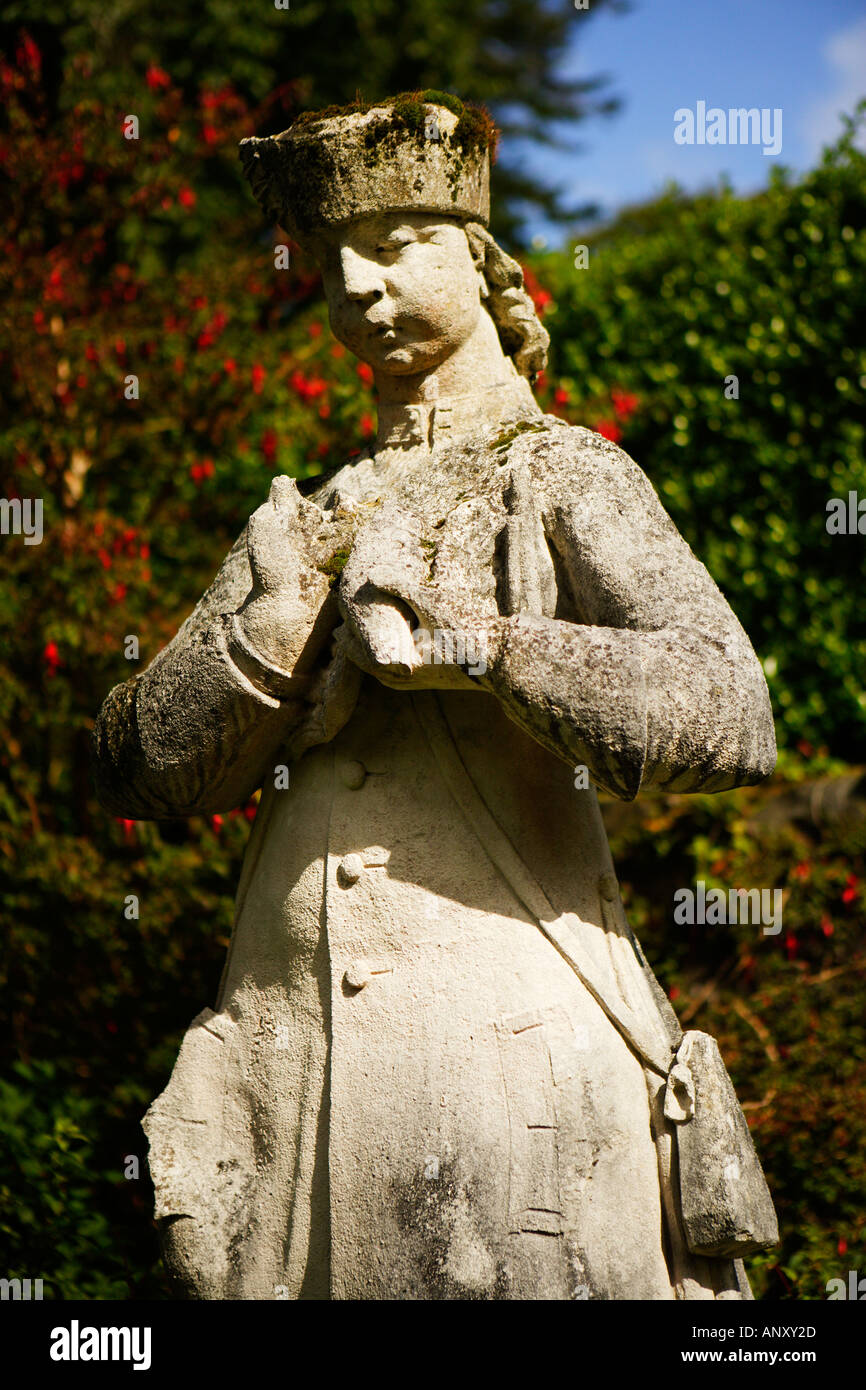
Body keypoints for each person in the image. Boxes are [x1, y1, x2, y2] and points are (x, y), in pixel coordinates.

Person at [93, 94, 778, 1300]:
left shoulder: (558, 470)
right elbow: (139, 771)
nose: (357, 285)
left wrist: (495, 645)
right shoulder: (300, 515)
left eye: (396, 243)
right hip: (287, 1075)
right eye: (333, 259)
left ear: (478, 254)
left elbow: (728, 708)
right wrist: (260, 643)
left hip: (503, 1074)